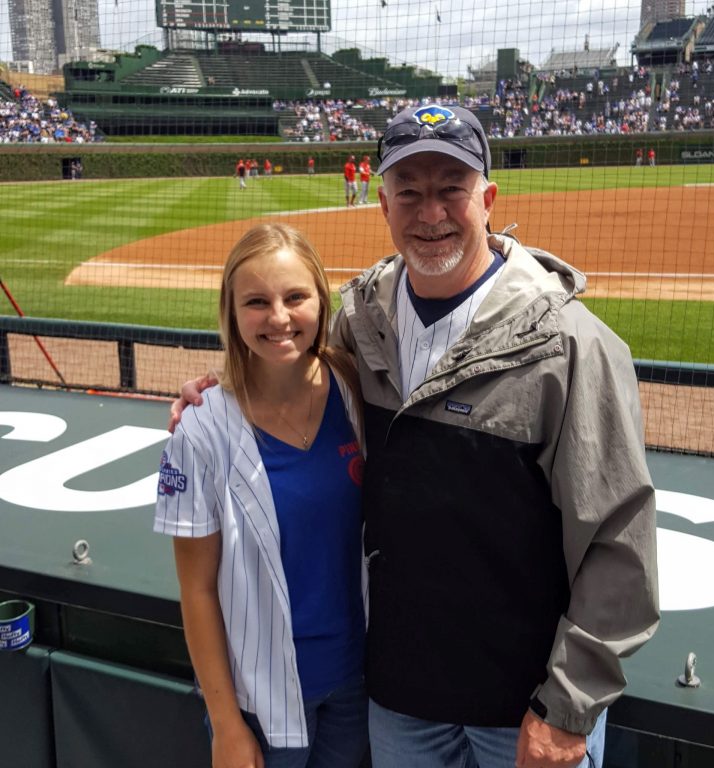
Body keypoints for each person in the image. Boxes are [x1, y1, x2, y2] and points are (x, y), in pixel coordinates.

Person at [171, 104, 659, 768]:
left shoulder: (571, 345)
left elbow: (618, 540)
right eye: (410, 192)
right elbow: (286, 359)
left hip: (523, 709)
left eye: (451, 190)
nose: (431, 212)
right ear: (385, 207)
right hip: (400, 700)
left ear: (487, 198)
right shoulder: (360, 327)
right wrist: (215, 392)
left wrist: (569, 706)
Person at [156, 223, 369, 768]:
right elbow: (197, 591)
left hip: (359, 685)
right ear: (231, 312)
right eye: (256, 302)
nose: (278, 317)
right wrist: (226, 726)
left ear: (322, 301)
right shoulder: (201, 430)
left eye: (295, 296)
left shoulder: (355, 388)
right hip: (259, 703)